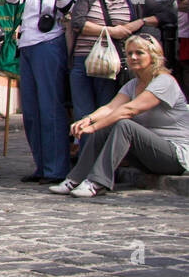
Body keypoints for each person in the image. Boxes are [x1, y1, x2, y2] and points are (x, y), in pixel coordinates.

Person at [50, 34, 189, 196]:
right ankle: (75, 179)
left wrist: (94, 127)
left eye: (139, 53)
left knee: (124, 124)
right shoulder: (132, 85)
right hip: (148, 156)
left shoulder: (165, 81)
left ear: (153, 55)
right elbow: (110, 108)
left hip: (175, 157)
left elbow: (129, 110)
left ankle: (98, 182)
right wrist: (88, 120)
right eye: (129, 54)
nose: (133, 57)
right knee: (109, 123)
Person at [5, 0, 82, 184]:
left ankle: (56, 168)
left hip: (50, 43)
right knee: (31, 111)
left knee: (50, 108)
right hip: (27, 45)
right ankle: (40, 165)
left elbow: (66, 5)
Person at [67, 0, 159, 149]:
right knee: (83, 112)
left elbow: (162, 14)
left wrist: (139, 23)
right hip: (83, 60)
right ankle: (86, 165)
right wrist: (113, 31)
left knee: (106, 114)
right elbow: (78, 23)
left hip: (111, 63)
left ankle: (104, 165)